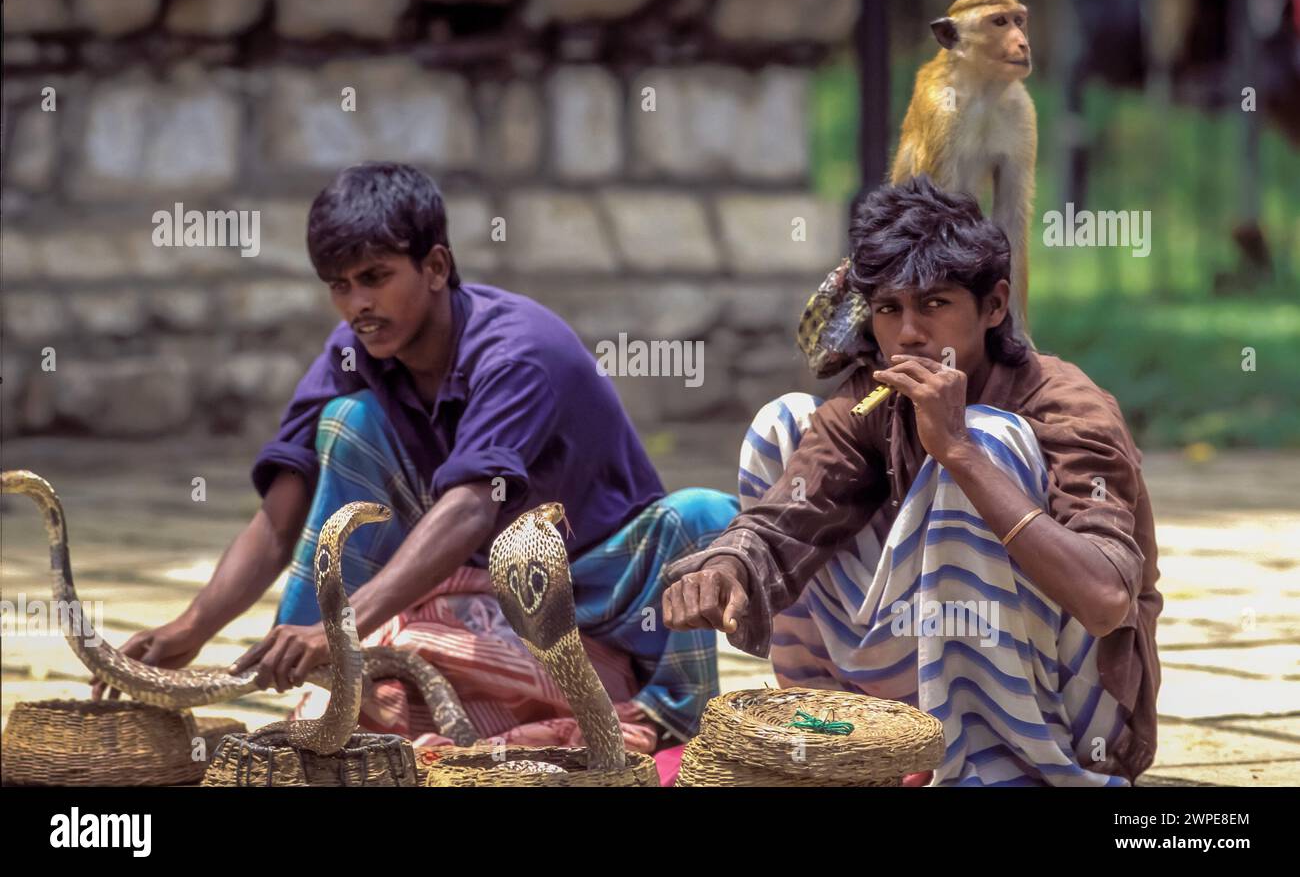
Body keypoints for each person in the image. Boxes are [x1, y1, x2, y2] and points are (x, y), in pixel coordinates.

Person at [96, 161, 738, 753]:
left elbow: (467, 509)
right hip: (470, 589)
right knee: (349, 422)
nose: (358, 307)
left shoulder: (518, 350)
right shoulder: (353, 350)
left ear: (434, 267)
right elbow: (276, 523)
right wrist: (190, 629)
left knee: (701, 513)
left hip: (589, 584)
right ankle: (311, 672)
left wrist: (343, 625)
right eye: (340, 287)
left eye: (375, 278)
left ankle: (665, 713)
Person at [662, 176, 1162, 785]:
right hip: (929, 677)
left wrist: (960, 452)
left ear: (995, 306)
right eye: (888, 309)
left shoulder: (1066, 405)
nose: (909, 334)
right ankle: (838, 748)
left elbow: (1108, 600)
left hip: (1072, 712)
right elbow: (791, 515)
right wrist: (728, 570)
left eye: (934, 304)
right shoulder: (875, 396)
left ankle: (990, 770)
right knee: (783, 424)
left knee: (986, 441)